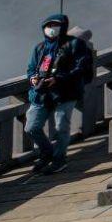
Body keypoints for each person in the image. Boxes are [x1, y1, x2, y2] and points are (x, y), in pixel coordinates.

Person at [24, 13, 94, 173]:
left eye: (55, 25)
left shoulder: (75, 44)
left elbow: (80, 67)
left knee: (62, 126)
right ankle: (47, 152)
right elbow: (31, 68)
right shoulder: (40, 48)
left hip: (66, 92)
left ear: (63, 26)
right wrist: (33, 78)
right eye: (48, 26)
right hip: (41, 94)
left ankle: (59, 159)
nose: (51, 29)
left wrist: (59, 79)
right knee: (31, 127)